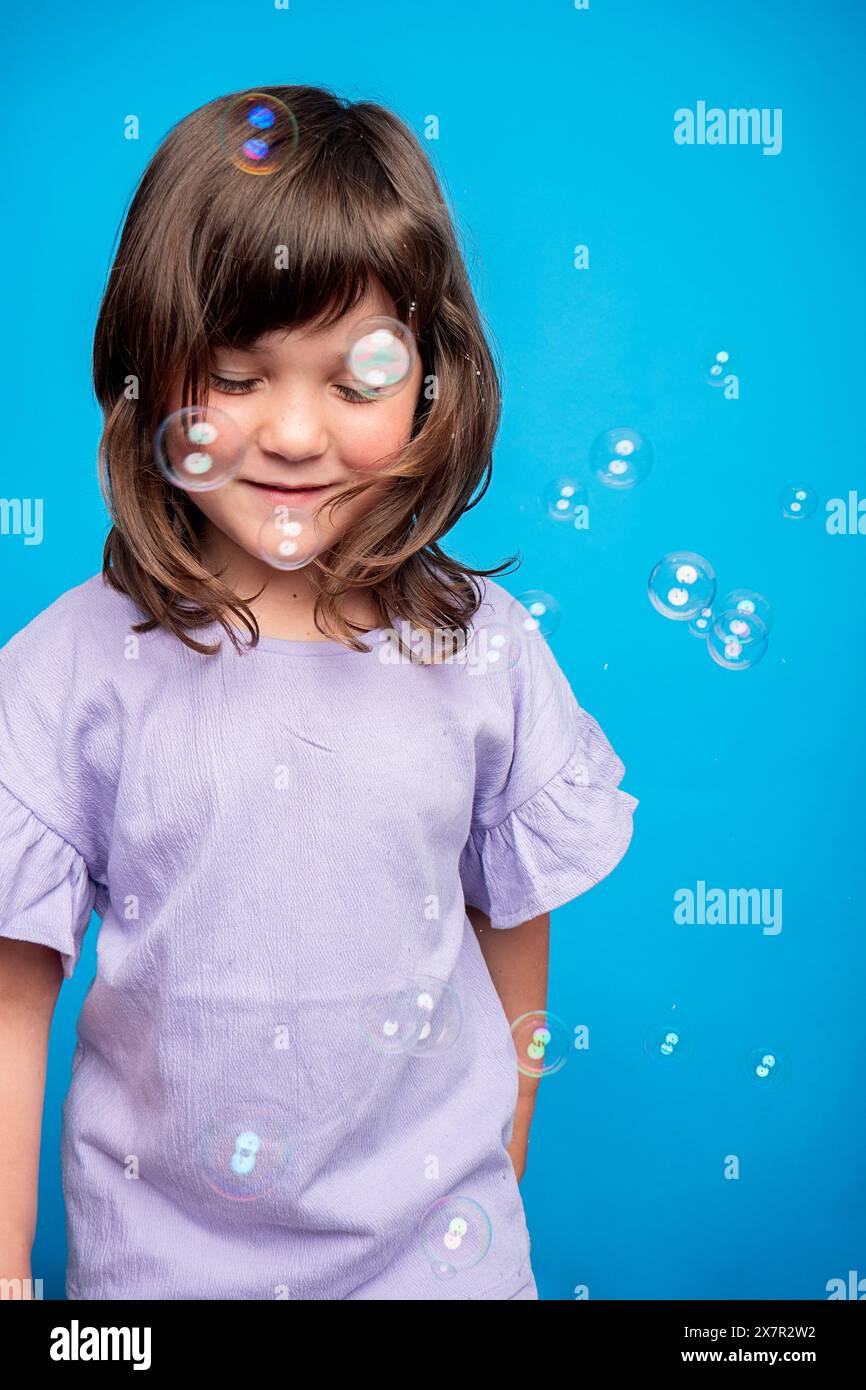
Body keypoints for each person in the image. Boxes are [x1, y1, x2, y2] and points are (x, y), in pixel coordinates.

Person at [0, 84, 637, 1300]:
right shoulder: (68, 672)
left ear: (432, 383)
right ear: (150, 377)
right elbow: (8, 1016)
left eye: (355, 382)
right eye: (237, 377)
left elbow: (515, 978)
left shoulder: (481, 653)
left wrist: (481, 1217)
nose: (293, 434)